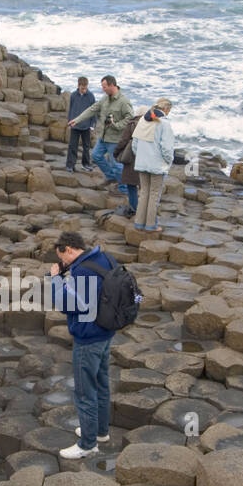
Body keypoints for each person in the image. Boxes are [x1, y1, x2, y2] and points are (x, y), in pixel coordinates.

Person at [48, 231, 116, 458]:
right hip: (106, 332)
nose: (63, 262)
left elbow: (67, 304)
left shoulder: (83, 270)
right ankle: (100, 432)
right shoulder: (104, 257)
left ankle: (87, 445)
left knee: (85, 392)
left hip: (88, 338)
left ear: (68, 249)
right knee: (102, 384)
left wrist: (56, 279)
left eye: (62, 257)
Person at [69, 76, 133, 189]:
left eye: (104, 87)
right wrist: (77, 120)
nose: (103, 89)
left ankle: (123, 189)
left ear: (112, 85)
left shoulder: (123, 101)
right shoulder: (105, 99)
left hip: (115, 139)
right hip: (103, 137)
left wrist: (117, 125)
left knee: (116, 164)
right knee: (96, 155)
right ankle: (111, 177)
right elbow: (92, 109)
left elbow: (130, 118)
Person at [132, 98, 175, 230]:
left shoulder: (143, 120)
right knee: (154, 194)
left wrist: (140, 157)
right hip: (157, 165)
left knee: (144, 192)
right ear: (166, 109)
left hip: (142, 163)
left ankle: (139, 222)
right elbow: (166, 148)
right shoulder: (164, 124)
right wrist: (168, 161)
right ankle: (151, 225)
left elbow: (135, 144)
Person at [113, 112, 141, 217]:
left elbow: (123, 140)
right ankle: (143, 211)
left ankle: (133, 209)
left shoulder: (132, 124)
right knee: (144, 188)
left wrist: (116, 152)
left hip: (131, 158)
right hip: (146, 159)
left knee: (131, 185)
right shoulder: (151, 125)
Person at [65, 76, 95, 172]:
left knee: (86, 146)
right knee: (72, 146)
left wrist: (92, 125)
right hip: (75, 125)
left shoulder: (91, 96)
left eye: (86, 88)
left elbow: (94, 111)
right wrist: (69, 121)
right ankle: (70, 165)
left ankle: (86, 164)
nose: (84, 90)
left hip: (86, 126)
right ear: (78, 86)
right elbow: (71, 109)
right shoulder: (73, 95)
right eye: (82, 88)